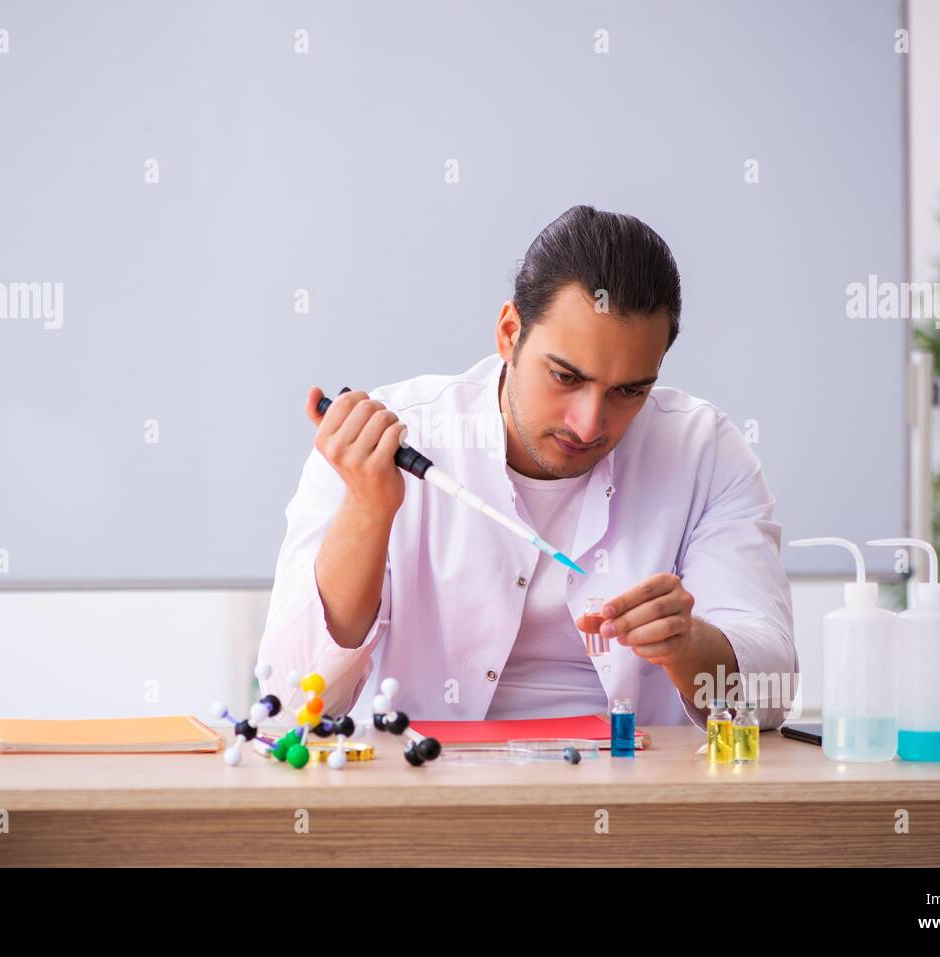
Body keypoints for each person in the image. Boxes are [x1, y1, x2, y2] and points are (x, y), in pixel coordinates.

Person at [257, 204, 797, 730]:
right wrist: (368, 511)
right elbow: (291, 699)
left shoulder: (704, 451)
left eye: (629, 391)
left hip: (639, 801)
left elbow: (773, 693)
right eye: (566, 377)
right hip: (431, 799)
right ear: (510, 332)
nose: (589, 425)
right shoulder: (381, 443)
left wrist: (689, 646)